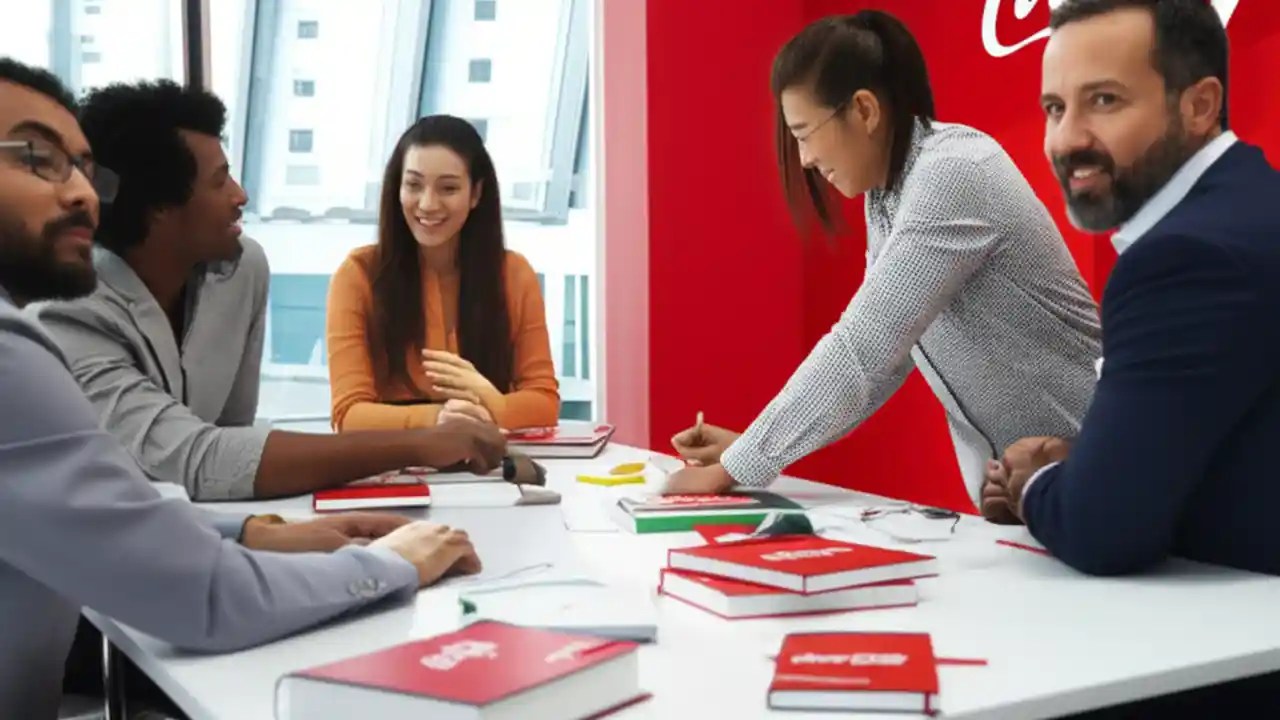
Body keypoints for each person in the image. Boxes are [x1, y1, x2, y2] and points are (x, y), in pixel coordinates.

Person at [0, 57, 483, 720]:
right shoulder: (21, 348)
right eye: (38, 159)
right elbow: (203, 586)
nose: (84, 194)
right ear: (162, 206)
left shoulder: (239, 268)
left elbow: (134, 492)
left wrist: (248, 530)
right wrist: (397, 562)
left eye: (84, 168)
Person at [663, 11, 1101, 505]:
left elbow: (865, 348)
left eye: (805, 133)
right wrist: (749, 449)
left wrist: (737, 465)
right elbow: (883, 358)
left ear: (865, 111)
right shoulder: (889, 197)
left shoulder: (952, 174)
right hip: (1033, 493)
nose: (804, 158)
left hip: (1097, 468)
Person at [36, 81, 505, 501]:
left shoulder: (242, 269)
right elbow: (195, 461)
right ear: (160, 209)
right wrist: (422, 441)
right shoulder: (68, 311)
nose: (240, 195)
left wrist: (259, 532)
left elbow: (233, 438)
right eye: (220, 181)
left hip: (202, 533)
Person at [981, 0, 1280, 577]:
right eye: (1054, 107)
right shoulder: (1251, 203)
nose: (1066, 140)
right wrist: (1091, 466)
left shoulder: (1183, 257)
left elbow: (1103, 530)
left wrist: (1035, 485)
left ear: (1199, 105)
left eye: (1104, 100)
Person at [326, 115, 560, 432]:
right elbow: (348, 415)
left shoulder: (514, 274)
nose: (427, 203)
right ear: (397, 188)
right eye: (413, 185)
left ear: (476, 193)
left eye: (448, 188)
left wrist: (492, 402)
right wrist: (440, 419)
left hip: (486, 460)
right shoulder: (358, 275)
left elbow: (544, 403)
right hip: (393, 465)